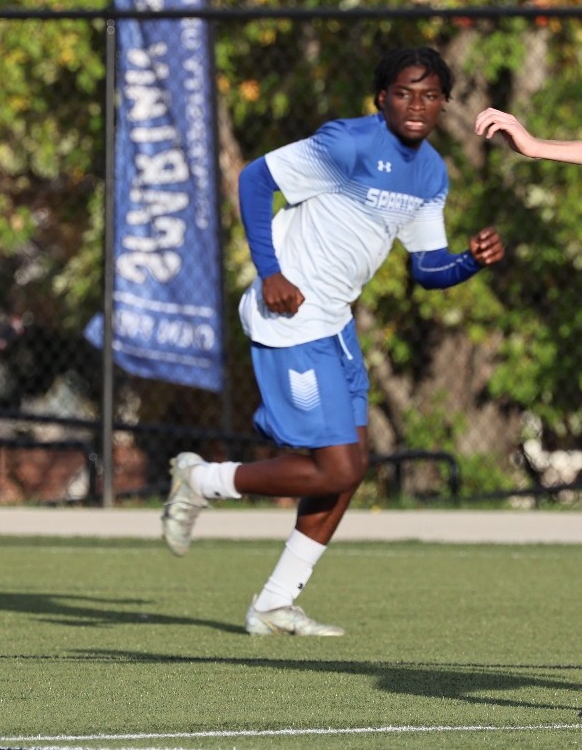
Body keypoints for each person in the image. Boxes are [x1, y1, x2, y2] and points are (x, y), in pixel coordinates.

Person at [161, 47, 505, 636]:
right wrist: (269, 272)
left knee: (349, 468)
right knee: (336, 467)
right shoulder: (347, 144)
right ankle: (201, 481)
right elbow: (255, 179)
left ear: (445, 103)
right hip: (290, 317)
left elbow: (425, 270)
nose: (416, 105)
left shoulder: (431, 172)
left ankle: (273, 604)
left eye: (429, 95)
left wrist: (469, 262)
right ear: (381, 98)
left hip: (334, 323)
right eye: (403, 92)